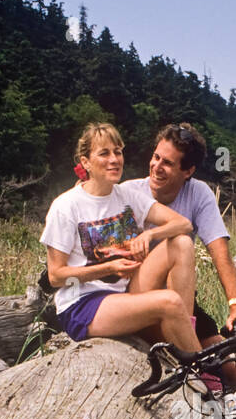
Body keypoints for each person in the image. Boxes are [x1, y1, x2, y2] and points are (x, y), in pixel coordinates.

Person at [40, 122, 199, 351]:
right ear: (85, 162)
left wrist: (151, 233)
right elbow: (56, 276)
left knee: (182, 243)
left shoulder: (127, 196)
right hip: (83, 303)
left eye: (118, 151)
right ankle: (200, 368)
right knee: (169, 301)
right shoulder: (66, 206)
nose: (114, 159)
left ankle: (184, 337)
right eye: (104, 153)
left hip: (125, 292)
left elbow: (183, 224)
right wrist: (109, 268)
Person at [127, 122, 236, 346]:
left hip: (178, 294)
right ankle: (185, 348)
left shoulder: (198, 193)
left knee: (225, 363)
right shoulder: (130, 192)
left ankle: (188, 343)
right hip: (138, 294)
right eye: (156, 157)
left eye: (167, 163)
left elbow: (219, 249)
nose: (156, 167)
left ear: (187, 171)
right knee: (180, 242)